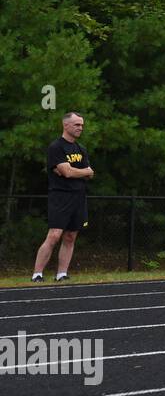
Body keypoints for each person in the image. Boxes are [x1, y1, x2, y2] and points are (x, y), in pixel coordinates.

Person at [33, 112, 93, 283]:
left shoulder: (82, 149)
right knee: (54, 235)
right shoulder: (56, 147)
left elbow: (90, 173)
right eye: (77, 124)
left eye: (81, 125)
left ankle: (62, 274)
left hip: (79, 197)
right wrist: (79, 172)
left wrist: (75, 172)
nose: (80, 128)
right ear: (65, 125)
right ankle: (37, 274)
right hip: (60, 196)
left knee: (71, 236)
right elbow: (67, 172)